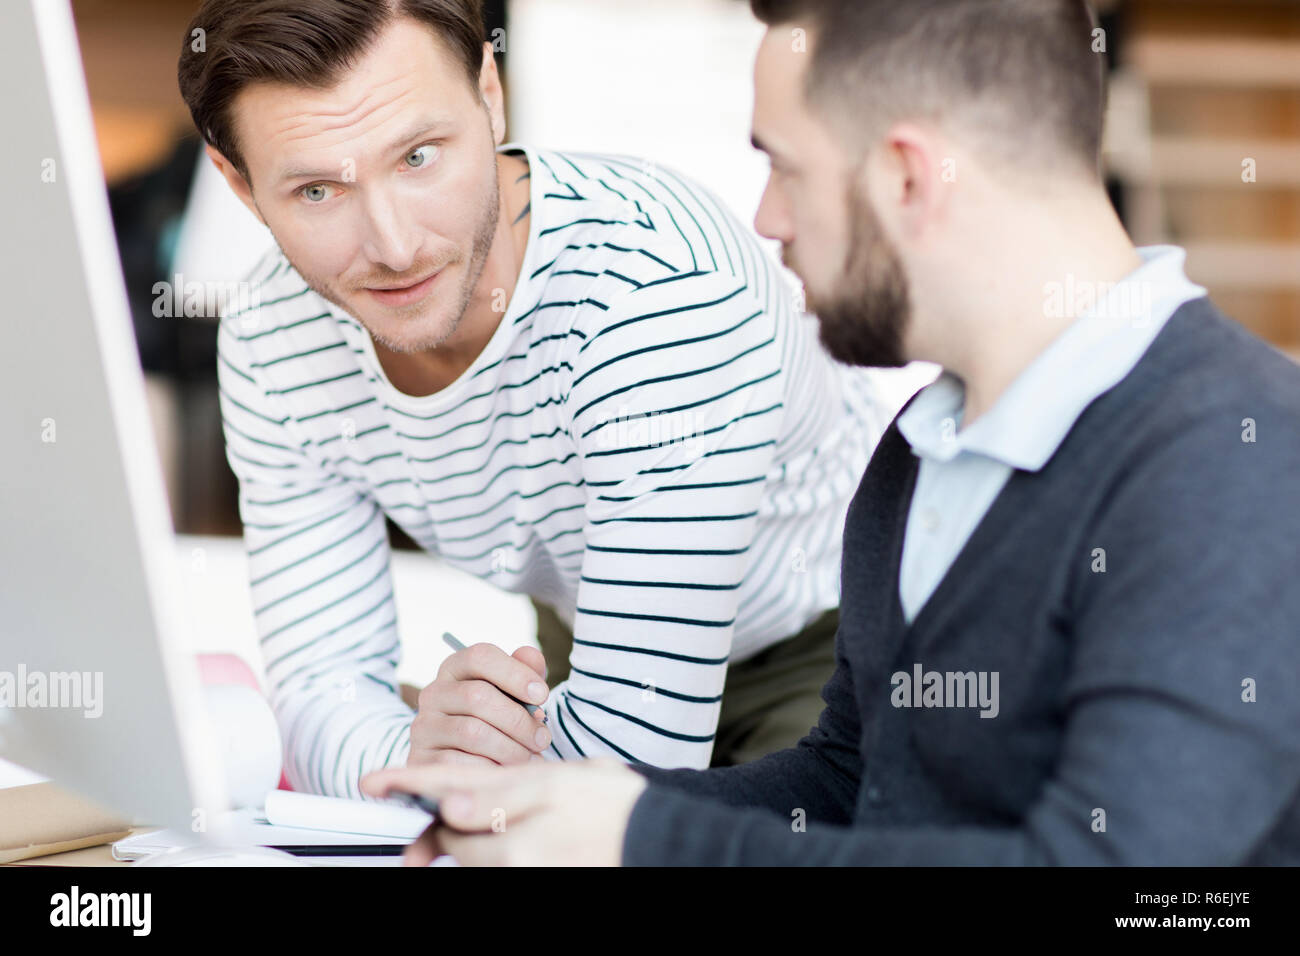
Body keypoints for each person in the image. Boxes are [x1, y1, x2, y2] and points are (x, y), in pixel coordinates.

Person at [363, 0, 1300, 866]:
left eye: (784, 166)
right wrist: (544, 809)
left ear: (905, 175)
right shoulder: (918, 448)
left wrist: (642, 837)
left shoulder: (1232, 458)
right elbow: (850, 783)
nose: (766, 220)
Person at [178, 0, 891, 797]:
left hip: (831, 652)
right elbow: (318, 693)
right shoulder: (272, 333)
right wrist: (417, 753)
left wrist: (435, 769)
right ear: (239, 182)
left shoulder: (656, 296)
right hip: (590, 634)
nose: (394, 245)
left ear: (490, 93)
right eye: (317, 191)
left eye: (418, 157)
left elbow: (626, 774)